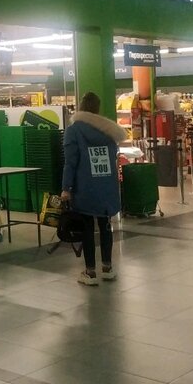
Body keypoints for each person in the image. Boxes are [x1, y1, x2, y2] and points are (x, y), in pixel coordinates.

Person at [61, 92, 128, 285]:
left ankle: (90, 272)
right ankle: (107, 267)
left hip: (85, 187)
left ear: (81, 107)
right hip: (107, 187)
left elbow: (70, 163)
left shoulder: (74, 131)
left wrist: (66, 187)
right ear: (97, 109)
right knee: (106, 226)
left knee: (87, 228)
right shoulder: (108, 131)